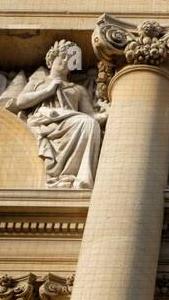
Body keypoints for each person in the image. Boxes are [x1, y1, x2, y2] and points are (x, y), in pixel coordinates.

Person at [13, 40, 104, 189]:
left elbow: (91, 115)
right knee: (85, 122)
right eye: (62, 56)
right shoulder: (38, 82)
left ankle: (70, 175)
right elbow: (21, 102)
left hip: (70, 122)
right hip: (43, 120)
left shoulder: (78, 89)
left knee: (89, 123)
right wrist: (48, 90)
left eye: (70, 59)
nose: (65, 61)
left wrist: (109, 114)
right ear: (51, 60)